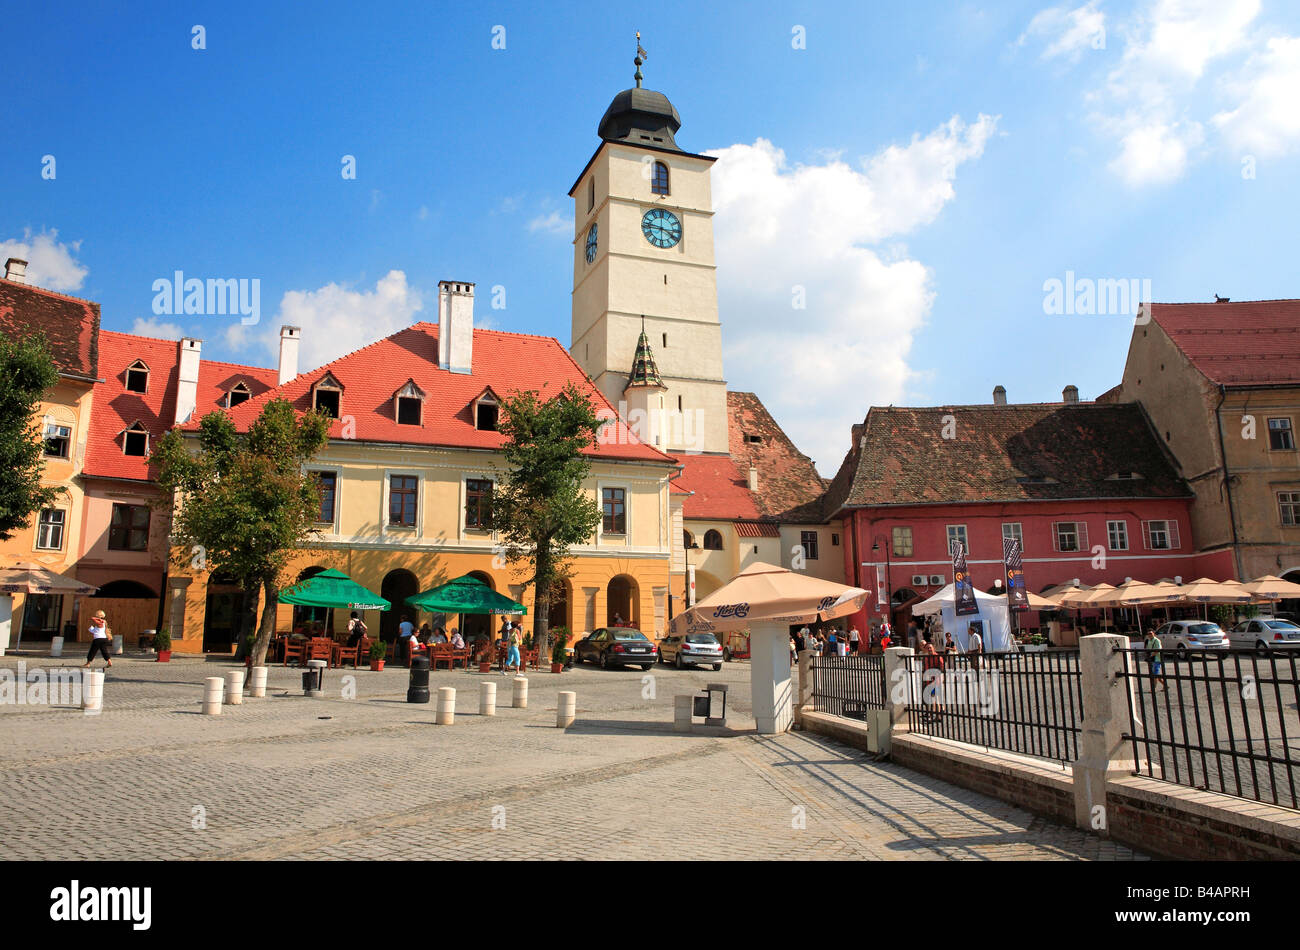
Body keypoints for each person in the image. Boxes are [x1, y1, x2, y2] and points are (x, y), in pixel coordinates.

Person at [920, 641, 945, 718]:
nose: (929, 649)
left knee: (935, 698)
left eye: (930, 648)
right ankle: (932, 714)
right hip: (928, 681)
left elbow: (941, 669)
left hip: (936, 681)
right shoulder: (926, 658)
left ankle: (938, 716)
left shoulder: (938, 657)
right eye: (928, 648)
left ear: (933, 648)